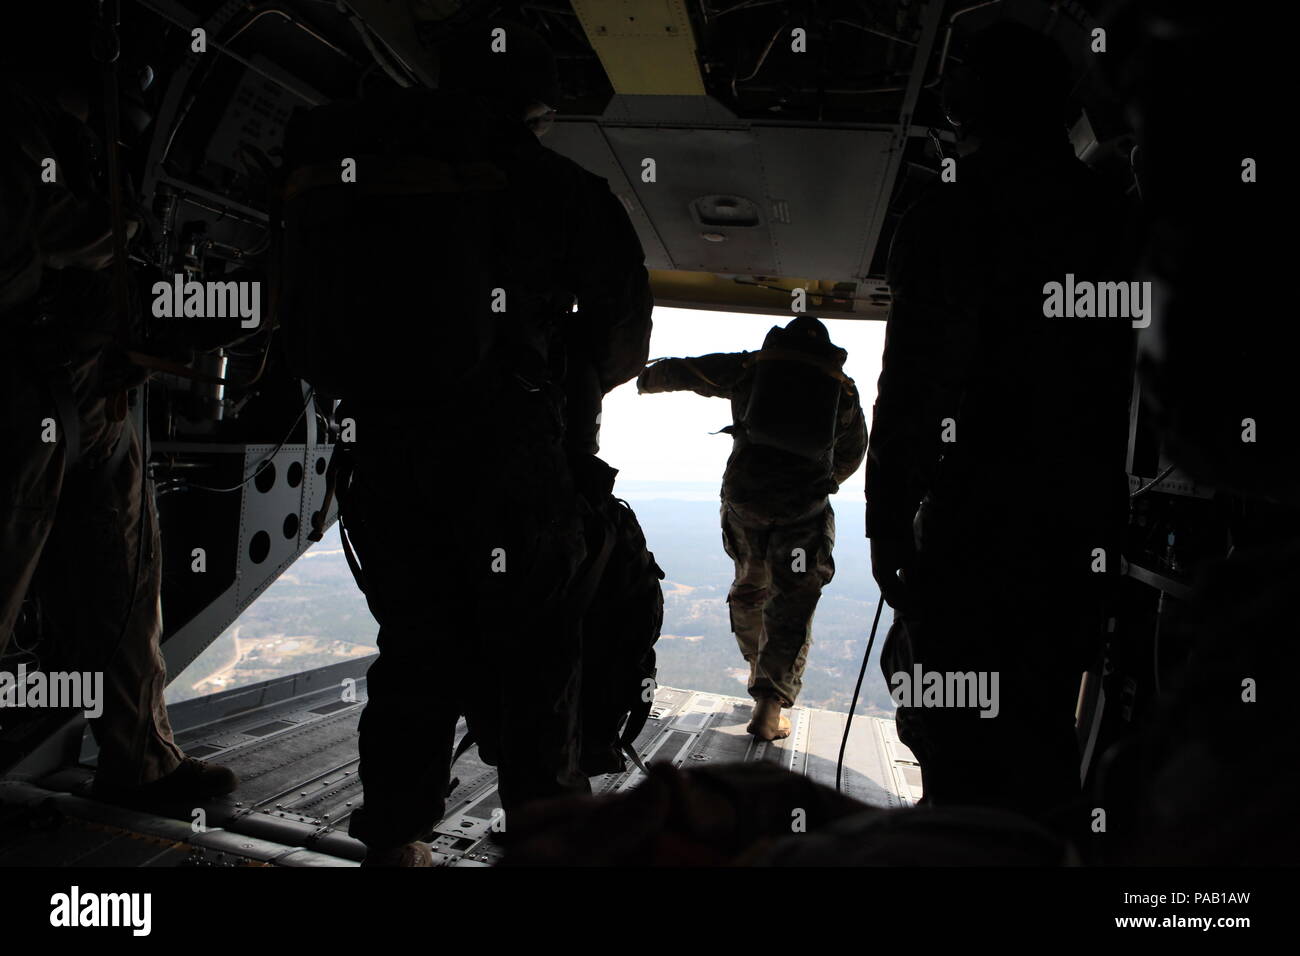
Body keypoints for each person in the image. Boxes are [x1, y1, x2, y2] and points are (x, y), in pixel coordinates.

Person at [279, 19, 652, 865]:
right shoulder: (557, 186)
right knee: (538, 665)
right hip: (509, 471)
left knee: (413, 652)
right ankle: (544, 841)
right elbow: (623, 341)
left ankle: (395, 842)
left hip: (383, 459)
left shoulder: (357, 177)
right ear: (539, 105)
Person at [865, 22, 1134, 816]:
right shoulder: (1111, 214)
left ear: (969, 97)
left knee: (960, 743)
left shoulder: (954, 212)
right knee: (1044, 732)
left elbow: (916, 384)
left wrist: (887, 521)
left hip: (982, 525)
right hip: (1081, 527)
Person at [0, 8, 236, 803]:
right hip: (25, 389)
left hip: (90, 390)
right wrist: (116, 231)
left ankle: (143, 759)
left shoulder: (67, 136)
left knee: (128, 578)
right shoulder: (20, 124)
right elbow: (27, 229)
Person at [637, 316, 866, 740]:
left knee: (750, 586)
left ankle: (754, 666)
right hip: (803, 510)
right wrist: (819, 483)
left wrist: (643, 377)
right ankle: (769, 706)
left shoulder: (752, 368)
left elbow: (686, 372)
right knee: (792, 602)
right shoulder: (842, 389)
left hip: (746, 503)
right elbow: (852, 455)